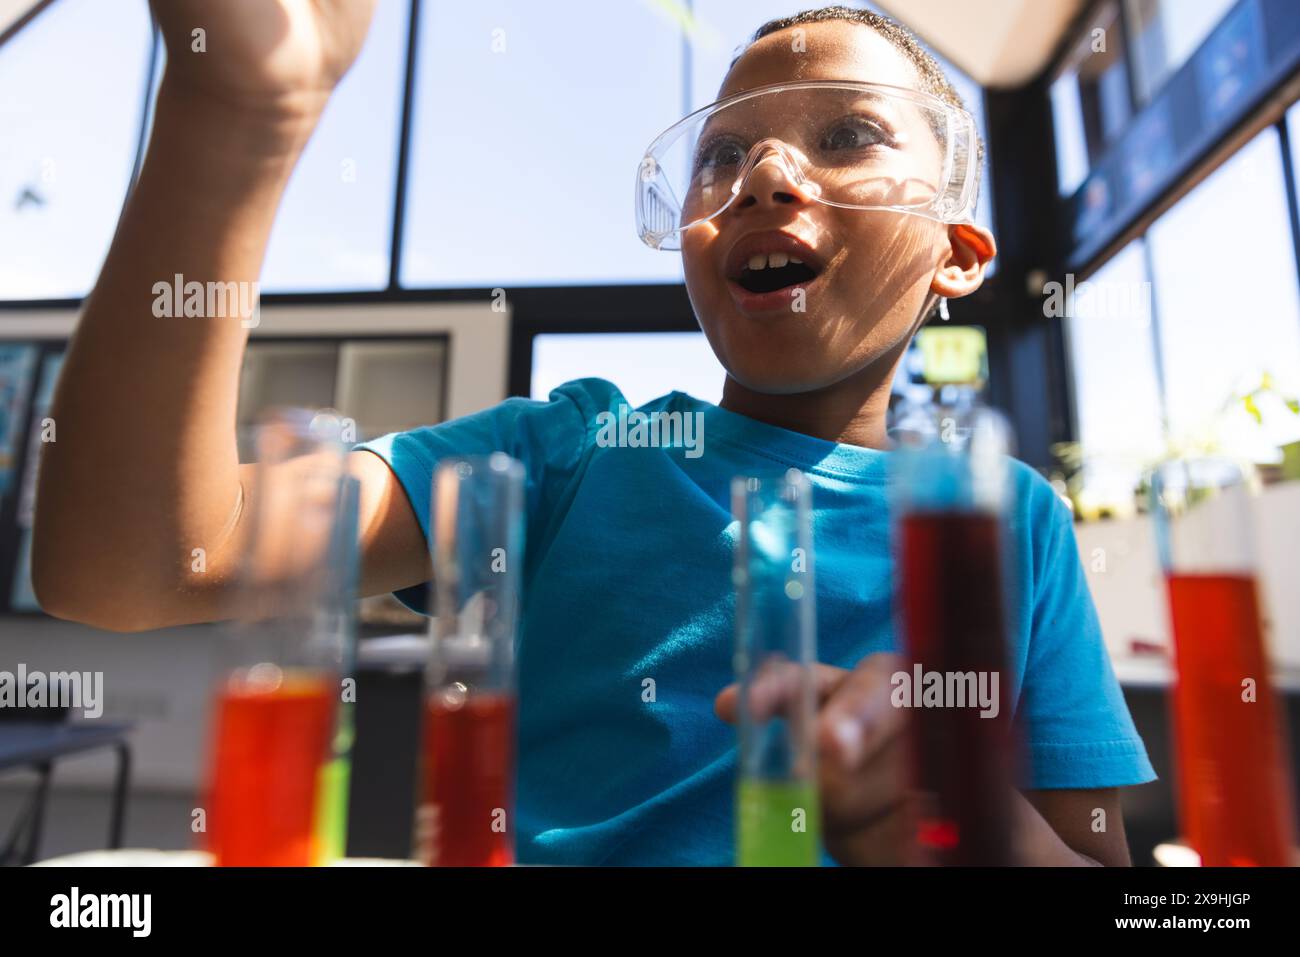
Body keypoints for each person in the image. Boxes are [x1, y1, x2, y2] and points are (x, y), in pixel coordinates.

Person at [32, 2, 1154, 865]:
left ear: (957, 254)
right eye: (722, 156)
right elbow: (124, 567)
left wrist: (950, 824)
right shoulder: (562, 455)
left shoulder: (1006, 524)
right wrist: (238, 116)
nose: (763, 173)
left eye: (848, 134)